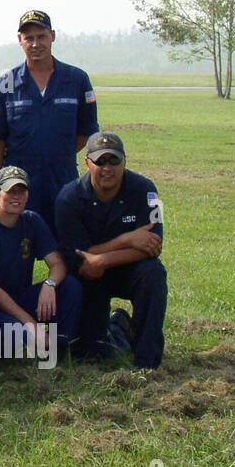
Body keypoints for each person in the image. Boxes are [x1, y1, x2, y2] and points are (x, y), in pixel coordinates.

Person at [55, 131, 168, 368]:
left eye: (114, 160)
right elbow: (79, 258)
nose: (107, 168)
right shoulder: (68, 198)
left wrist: (104, 259)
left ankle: (147, 359)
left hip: (129, 269)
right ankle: (118, 328)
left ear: (125, 162)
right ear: (87, 163)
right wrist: (127, 238)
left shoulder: (146, 190)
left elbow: (153, 245)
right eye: (100, 161)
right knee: (91, 354)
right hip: (90, 277)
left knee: (154, 273)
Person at [0, 10, 98, 238]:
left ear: (53, 36)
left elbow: (86, 132)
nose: (35, 43)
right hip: (17, 183)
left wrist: (56, 151)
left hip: (62, 179)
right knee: (17, 250)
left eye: (41, 36)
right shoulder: (6, 82)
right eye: (29, 38)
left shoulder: (76, 79)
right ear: (20, 40)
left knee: (65, 247)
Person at [0, 165, 83, 358]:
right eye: (10, 191)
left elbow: (57, 264)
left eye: (21, 191)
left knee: (69, 286)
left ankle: (60, 347)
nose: (17, 196)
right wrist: (30, 323)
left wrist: (49, 284)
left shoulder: (32, 220)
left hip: (20, 297)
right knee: (17, 337)